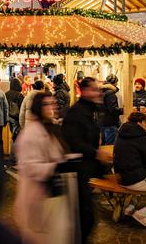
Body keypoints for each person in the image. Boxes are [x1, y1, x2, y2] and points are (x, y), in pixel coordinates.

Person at [15, 92, 78, 244]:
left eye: (53, 104)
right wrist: (57, 166)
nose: (52, 108)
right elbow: (29, 166)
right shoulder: (31, 133)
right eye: (46, 104)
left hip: (53, 195)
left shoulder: (50, 128)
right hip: (38, 196)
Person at [62, 77, 102, 242]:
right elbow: (74, 140)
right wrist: (95, 153)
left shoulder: (89, 110)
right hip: (76, 170)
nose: (98, 92)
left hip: (83, 170)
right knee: (84, 217)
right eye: (94, 89)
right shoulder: (77, 112)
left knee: (84, 216)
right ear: (84, 91)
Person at [99, 74, 123, 145]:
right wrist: (124, 110)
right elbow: (113, 110)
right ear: (114, 82)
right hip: (110, 123)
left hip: (102, 122)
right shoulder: (110, 93)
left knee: (104, 145)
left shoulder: (101, 91)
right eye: (116, 82)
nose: (117, 84)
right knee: (110, 146)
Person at [5, 77, 25, 142]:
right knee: (17, 134)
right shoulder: (20, 95)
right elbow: (22, 107)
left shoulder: (6, 94)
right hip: (16, 118)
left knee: (9, 134)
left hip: (8, 117)